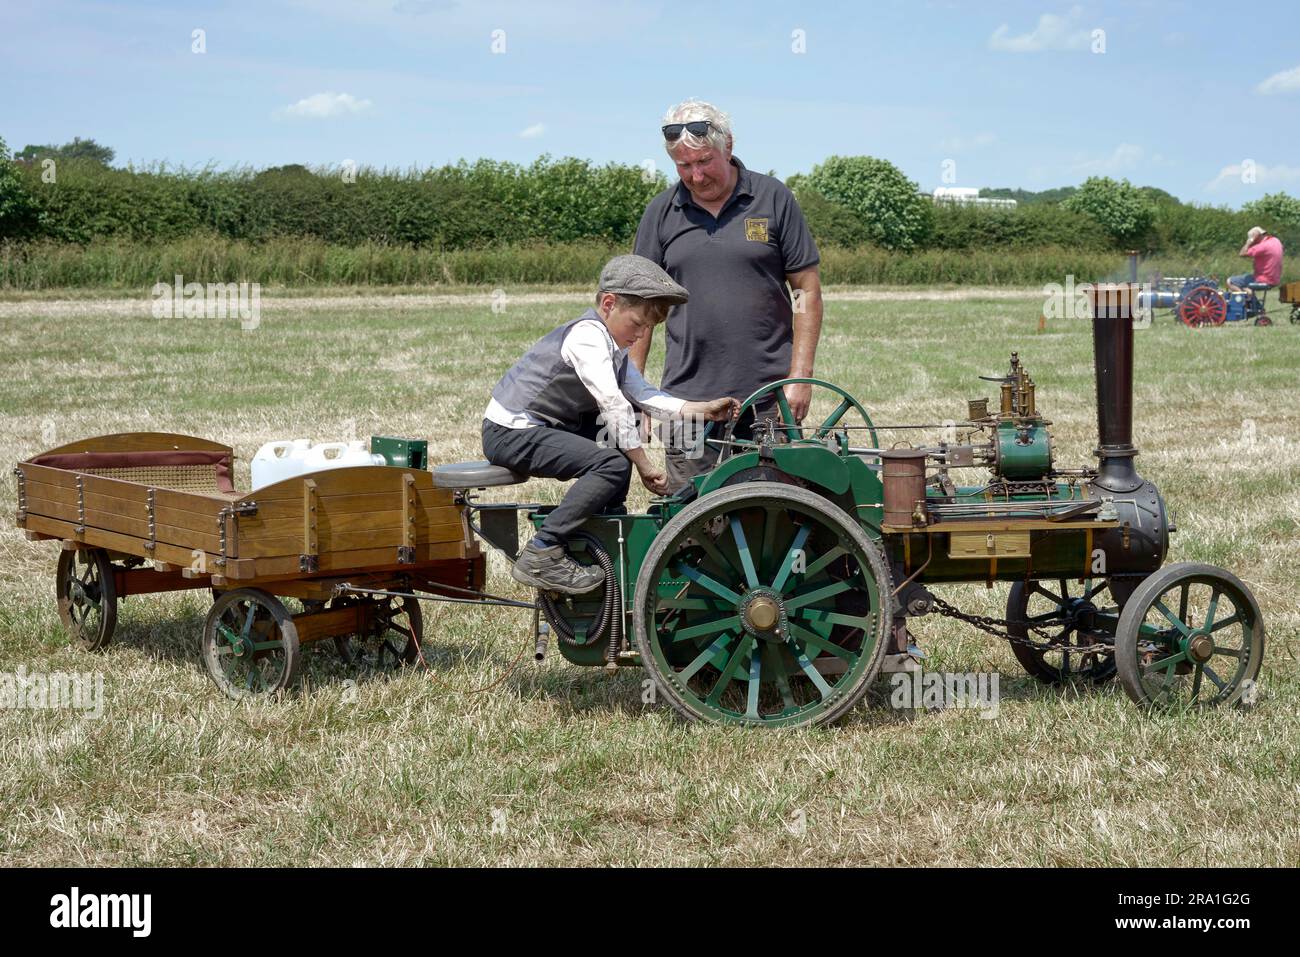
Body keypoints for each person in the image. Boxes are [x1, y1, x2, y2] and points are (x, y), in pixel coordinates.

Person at [483, 254, 739, 594]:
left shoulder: (612, 344)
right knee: (611, 463)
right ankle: (542, 551)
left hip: (538, 427)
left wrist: (702, 409)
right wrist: (645, 465)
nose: (642, 334)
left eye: (649, 329)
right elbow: (613, 403)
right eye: (638, 324)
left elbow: (642, 394)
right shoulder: (588, 337)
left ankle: (606, 523)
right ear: (609, 303)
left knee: (617, 443)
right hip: (511, 433)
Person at [632, 98, 823, 491]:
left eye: (704, 162)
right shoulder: (661, 212)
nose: (696, 176)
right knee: (693, 518)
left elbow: (806, 290)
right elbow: (639, 308)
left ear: (729, 146)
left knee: (776, 514)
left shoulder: (773, 199)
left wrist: (800, 376)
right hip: (686, 402)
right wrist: (635, 392)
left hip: (769, 398)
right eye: (684, 166)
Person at [1228, 226, 1283, 292]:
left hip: (1263, 279)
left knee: (1230, 281)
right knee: (1247, 282)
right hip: (1274, 280)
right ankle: (1252, 300)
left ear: (1256, 237)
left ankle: (1245, 300)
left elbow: (1241, 253)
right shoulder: (1276, 241)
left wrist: (1249, 242)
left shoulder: (1262, 246)